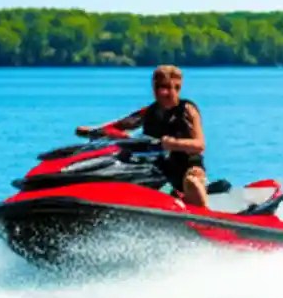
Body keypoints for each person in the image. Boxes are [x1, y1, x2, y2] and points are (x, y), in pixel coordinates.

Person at [75, 65, 208, 208]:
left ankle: (206, 217)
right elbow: (120, 125)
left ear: (177, 88)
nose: (162, 92)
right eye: (158, 87)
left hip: (188, 167)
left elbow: (199, 145)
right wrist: (94, 131)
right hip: (159, 169)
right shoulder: (150, 112)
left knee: (192, 180)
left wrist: (172, 143)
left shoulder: (187, 110)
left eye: (168, 87)